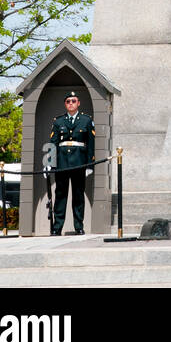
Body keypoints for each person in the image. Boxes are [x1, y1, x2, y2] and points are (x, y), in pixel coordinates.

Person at [48, 92, 95, 236]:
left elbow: (91, 144)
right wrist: (49, 163)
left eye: (73, 101)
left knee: (78, 196)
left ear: (78, 103)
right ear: (65, 104)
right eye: (68, 101)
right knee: (60, 196)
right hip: (62, 162)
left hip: (79, 163)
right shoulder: (58, 121)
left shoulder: (86, 120)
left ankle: (78, 226)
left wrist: (89, 165)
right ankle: (57, 228)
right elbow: (53, 143)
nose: (71, 103)